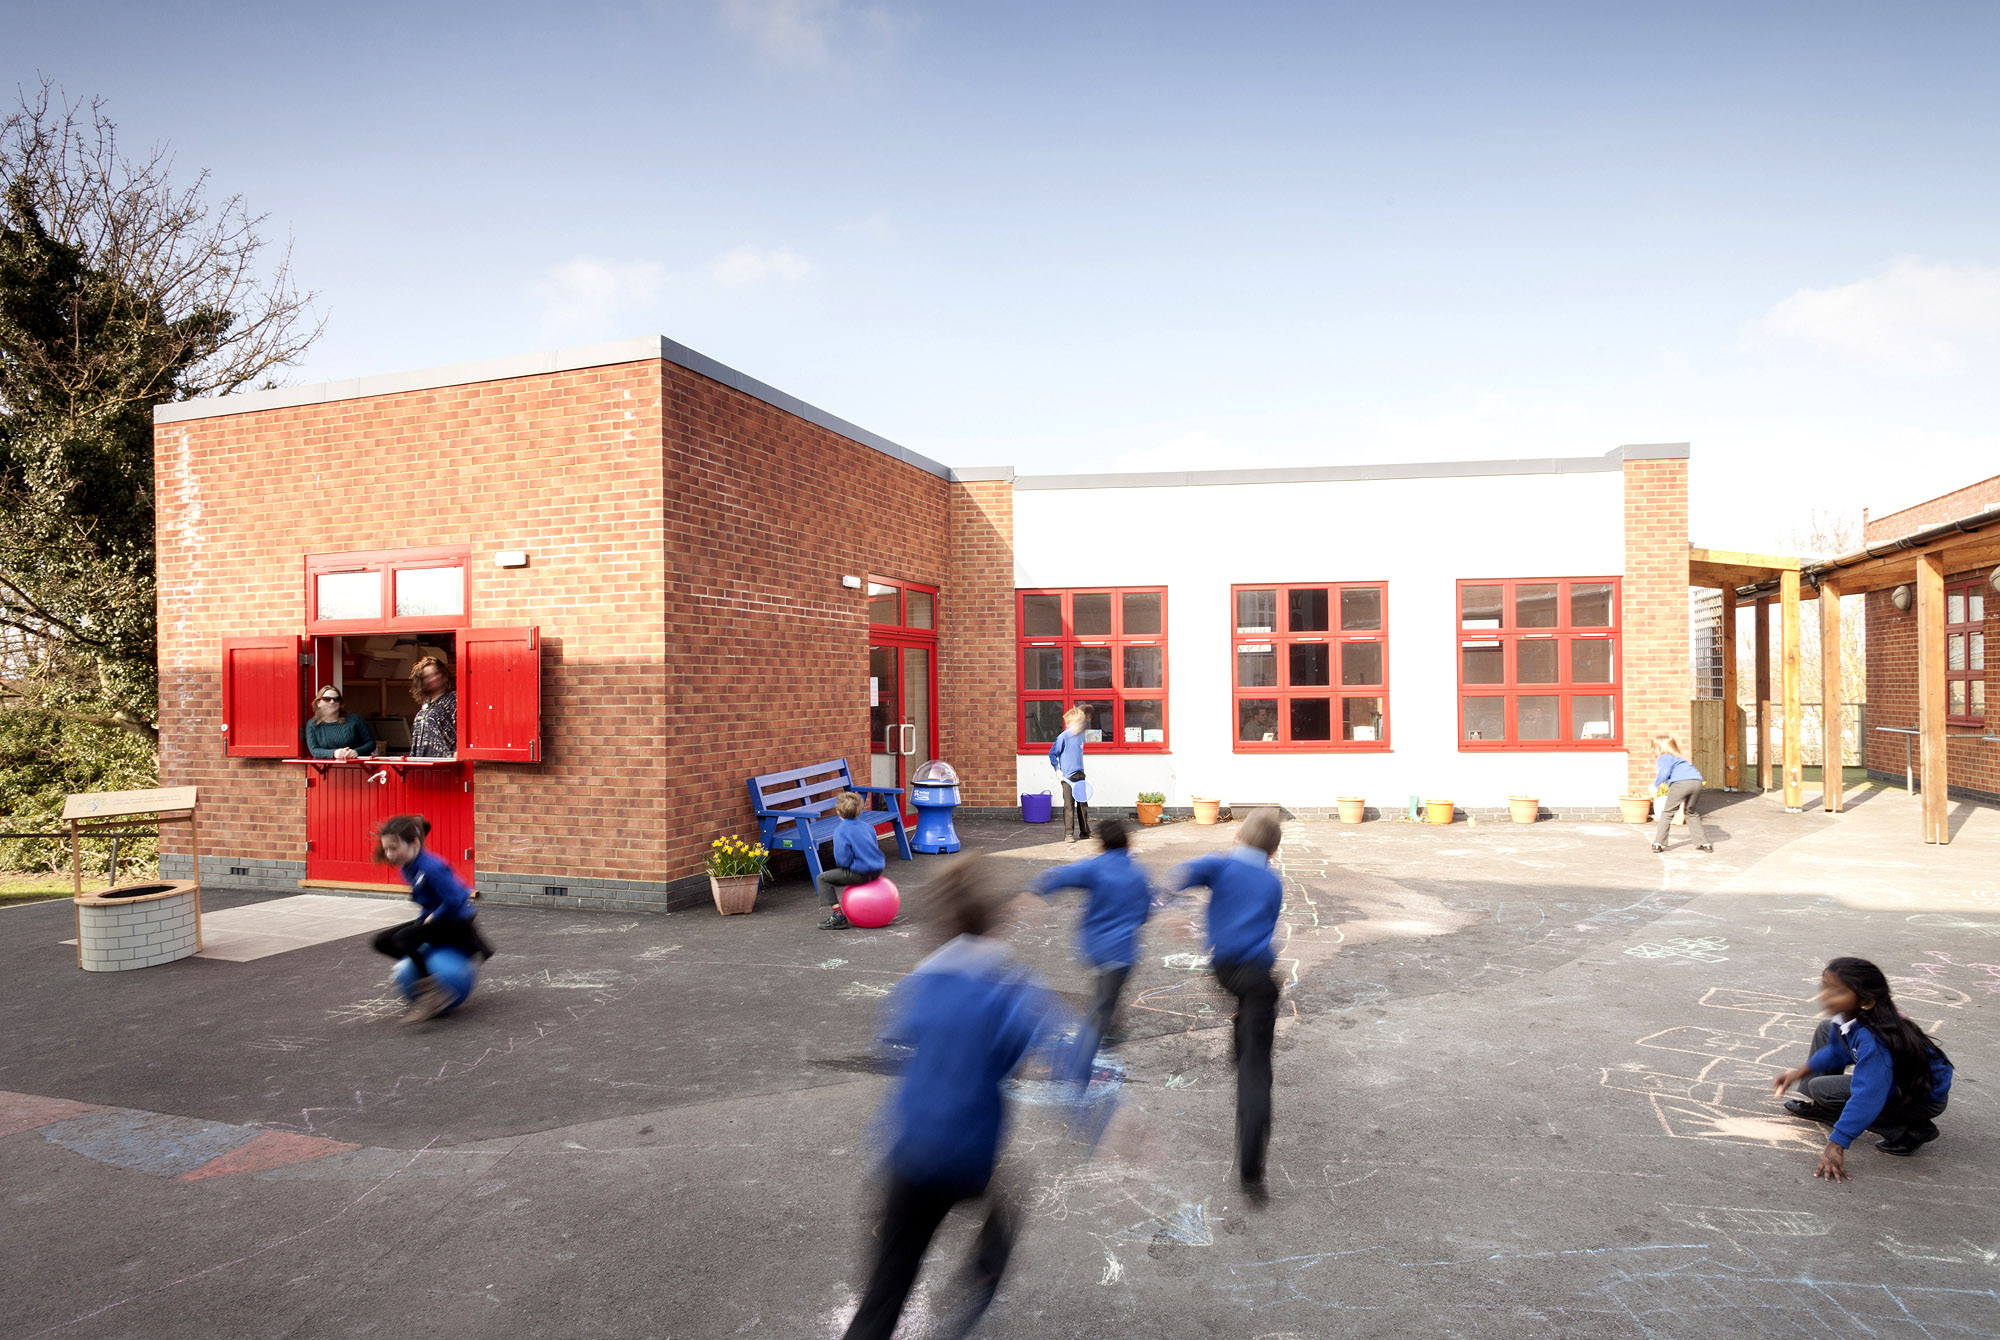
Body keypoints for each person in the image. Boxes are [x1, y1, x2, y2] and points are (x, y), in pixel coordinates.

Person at [845, 856, 1072, 1340]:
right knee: (1006, 1196)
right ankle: (987, 1267)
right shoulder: (1007, 986)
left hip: (909, 1153)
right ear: (991, 923)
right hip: (969, 1156)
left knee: (888, 1282)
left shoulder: (922, 983)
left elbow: (892, 1041)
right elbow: (1049, 1049)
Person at [1171, 806, 1285, 1190]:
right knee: (1256, 1068)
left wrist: (1168, 906)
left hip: (1225, 971)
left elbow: (1182, 873)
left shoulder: (1221, 865)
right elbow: (1268, 926)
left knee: (1249, 1015)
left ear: (1238, 837)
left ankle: (1241, 1041)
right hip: (1257, 975)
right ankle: (1251, 1165)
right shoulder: (1273, 882)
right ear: (1272, 853)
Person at [1771, 956, 1955, 1179]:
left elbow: (1869, 1095)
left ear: (1866, 1002)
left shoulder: (1875, 1040)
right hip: (1898, 1082)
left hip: (1920, 1099)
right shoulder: (1851, 1016)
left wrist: (1836, 1144)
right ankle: (1823, 1107)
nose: (1826, 996)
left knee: (1823, 1089)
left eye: (1837, 991)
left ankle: (1910, 1131)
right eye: (1825, 987)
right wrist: (1800, 1071)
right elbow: (1837, 1051)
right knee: (1826, 1027)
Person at [1031, 816, 1158, 1053]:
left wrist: (1037, 890)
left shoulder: (1094, 866)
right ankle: (1085, 1053)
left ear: (1101, 844)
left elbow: (1060, 875)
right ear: (1128, 844)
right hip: (1121, 951)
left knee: (1106, 992)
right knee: (1104, 1002)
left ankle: (1111, 1029)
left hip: (1094, 947)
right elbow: (1144, 913)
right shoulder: (1139, 873)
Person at [371, 814, 495, 1024]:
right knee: (381, 941)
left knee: (404, 939)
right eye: (386, 849)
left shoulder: (432, 867)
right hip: (437, 919)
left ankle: (434, 993)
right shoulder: (408, 867)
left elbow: (457, 898)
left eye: (394, 848)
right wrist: (424, 919)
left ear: (415, 843)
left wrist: (433, 917)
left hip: (457, 923)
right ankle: (423, 972)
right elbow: (429, 902)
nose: (389, 854)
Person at [817, 791, 887, 930]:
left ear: (838, 811)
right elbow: (873, 847)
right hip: (877, 870)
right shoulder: (868, 827)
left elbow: (842, 859)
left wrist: (850, 866)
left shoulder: (840, 830)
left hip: (860, 873)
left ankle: (838, 917)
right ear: (859, 810)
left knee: (822, 879)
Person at [1650, 734, 1710, 853]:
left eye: (1653, 747)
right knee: (1691, 812)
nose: (1652, 750)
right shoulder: (1680, 759)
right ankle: (1704, 843)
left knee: (1667, 813)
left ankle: (1658, 843)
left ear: (1658, 748)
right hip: (1697, 782)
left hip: (1680, 784)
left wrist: (1655, 785)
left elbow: (1664, 772)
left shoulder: (1664, 757)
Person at [1048, 705, 1091, 842]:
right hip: (1067, 776)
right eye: (1079, 723)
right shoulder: (1063, 737)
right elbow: (1052, 754)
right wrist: (1057, 769)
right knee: (1069, 805)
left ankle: (1085, 832)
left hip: (1080, 775)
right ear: (1070, 723)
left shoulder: (1080, 737)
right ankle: (1068, 834)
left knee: (1083, 805)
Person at [305, 684, 375, 760]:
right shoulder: (312, 724)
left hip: (358, 766)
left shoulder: (355, 719)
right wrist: (334, 753)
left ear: (340, 703)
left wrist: (356, 751)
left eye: (336, 699)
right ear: (318, 703)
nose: (332, 702)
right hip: (327, 768)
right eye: (327, 699)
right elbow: (314, 750)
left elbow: (371, 743)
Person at [408, 655, 457, 758]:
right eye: (427, 677)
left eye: (436, 674)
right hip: (424, 763)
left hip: (444, 765)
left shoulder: (453, 700)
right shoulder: (426, 703)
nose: (433, 679)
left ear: (443, 674)